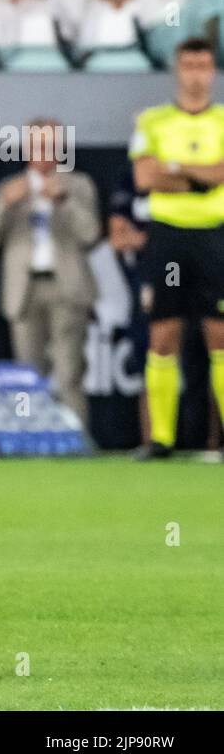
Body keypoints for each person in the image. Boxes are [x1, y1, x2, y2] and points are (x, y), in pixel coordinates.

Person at [128, 36, 224, 458]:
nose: (196, 74)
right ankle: (161, 439)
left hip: (214, 234)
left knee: (219, 335)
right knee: (163, 333)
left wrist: (176, 168)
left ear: (213, 71)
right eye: (189, 65)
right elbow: (145, 177)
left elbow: (222, 172)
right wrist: (199, 178)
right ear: (177, 70)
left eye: (204, 66)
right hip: (167, 234)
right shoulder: (152, 121)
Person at [0, 119, 102, 424]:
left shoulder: (78, 185)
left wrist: (64, 201)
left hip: (66, 288)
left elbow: (91, 235)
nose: (43, 152)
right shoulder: (10, 188)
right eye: (37, 145)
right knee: (26, 374)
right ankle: (29, 436)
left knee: (70, 371)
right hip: (24, 289)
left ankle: (74, 440)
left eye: (49, 145)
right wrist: (4, 206)